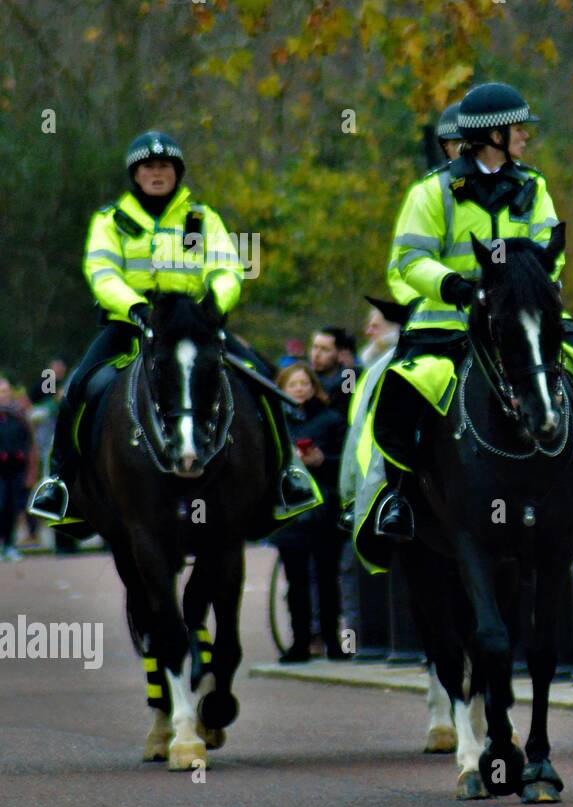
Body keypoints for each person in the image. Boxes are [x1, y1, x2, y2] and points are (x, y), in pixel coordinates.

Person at [373, 81, 573, 544]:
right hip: (449, 319)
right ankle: (399, 496)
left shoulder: (533, 184)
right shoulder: (433, 191)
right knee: (403, 392)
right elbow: (408, 261)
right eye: (518, 128)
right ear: (493, 136)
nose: (525, 136)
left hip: (523, 317)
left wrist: (533, 280)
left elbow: (551, 247)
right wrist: (456, 287)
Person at [26, 130, 318, 524]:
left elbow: (227, 266)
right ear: (136, 174)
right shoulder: (111, 220)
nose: (157, 173)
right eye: (149, 166)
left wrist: (217, 302)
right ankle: (60, 481)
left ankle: (288, 474)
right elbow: (102, 272)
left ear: (176, 171)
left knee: (258, 376)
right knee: (81, 385)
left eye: (164, 166)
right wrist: (135, 306)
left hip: (194, 325)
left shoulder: (201, 217)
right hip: (131, 324)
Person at [273, 362, 349, 662]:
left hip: (324, 512)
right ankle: (300, 643)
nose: (300, 389)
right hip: (290, 510)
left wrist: (322, 460)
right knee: (296, 583)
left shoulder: (331, 420)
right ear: (283, 388)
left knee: (328, 580)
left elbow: (345, 461)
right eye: (293, 384)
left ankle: (332, 642)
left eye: (304, 383)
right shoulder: (276, 421)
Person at [0, 376, 34, 560]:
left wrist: (30, 470)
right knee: (0, 504)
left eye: (5, 391)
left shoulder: (19, 416)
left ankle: (9, 545)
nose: (3, 396)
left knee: (12, 507)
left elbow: (29, 443)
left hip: (16, 468)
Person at [310, 326, 353, 418]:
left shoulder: (350, 377)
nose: (316, 354)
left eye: (324, 349)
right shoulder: (305, 377)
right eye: (315, 347)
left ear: (340, 354)